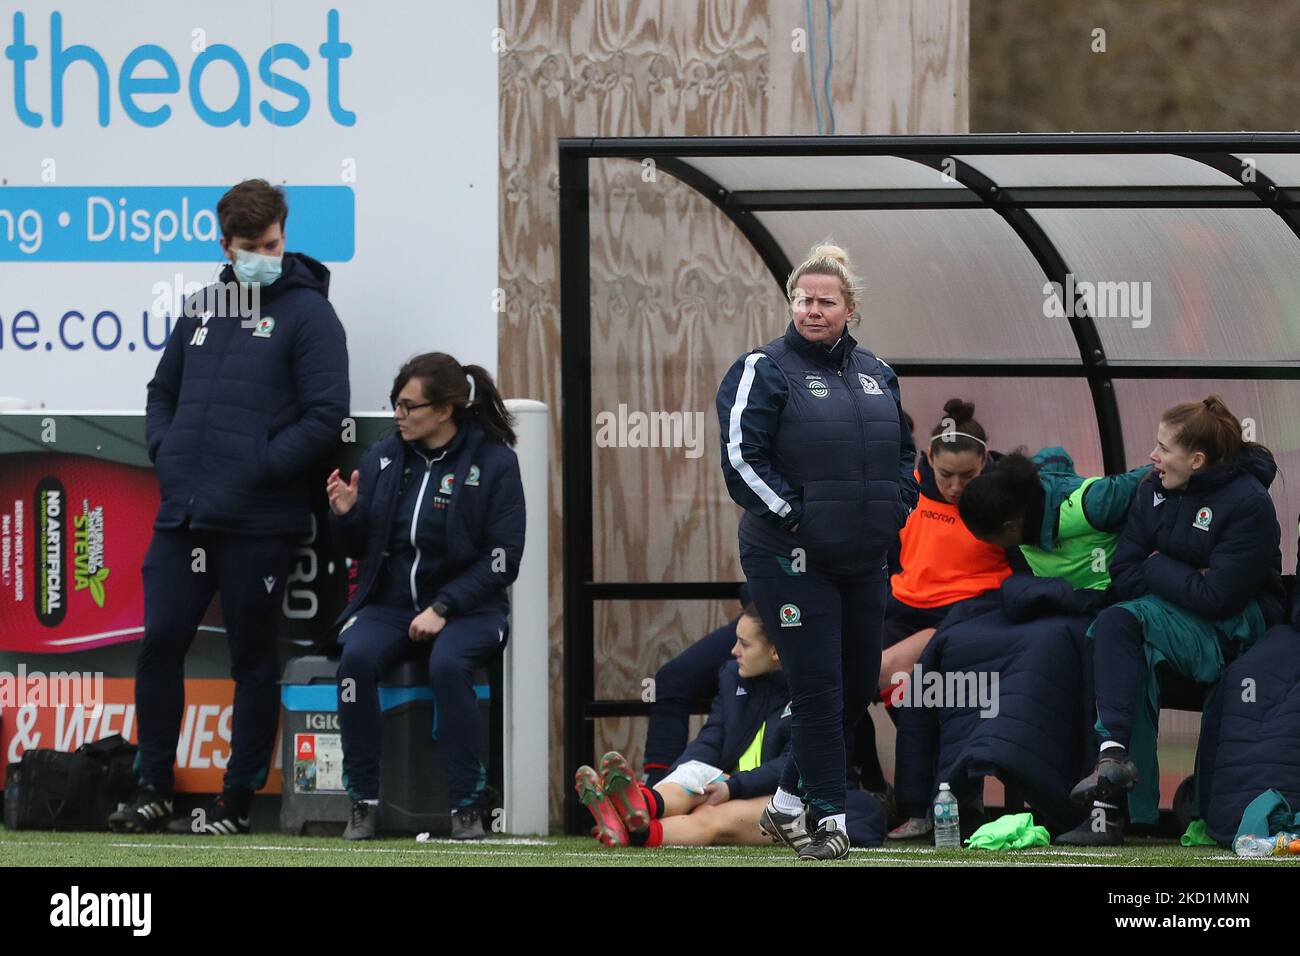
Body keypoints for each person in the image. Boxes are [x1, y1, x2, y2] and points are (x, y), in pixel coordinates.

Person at [111, 179, 350, 835]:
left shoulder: (310, 314)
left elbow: (327, 417)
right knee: (160, 644)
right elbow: (161, 393)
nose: (264, 256)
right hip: (185, 516)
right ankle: (153, 785)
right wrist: (168, 451)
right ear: (225, 244)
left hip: (258, 521)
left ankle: (235, 800)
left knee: (251, 660)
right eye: (251, 247)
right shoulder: (201, 307)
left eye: (273, 244)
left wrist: (258, 466)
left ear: (283, 235)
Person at [715, 240, 918, 860]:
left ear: (850, 309)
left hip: (863, 557)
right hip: (789, 556)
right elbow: (741, 459)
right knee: (818, 687)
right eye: (803, 300)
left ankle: (783, 803)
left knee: (859, 682)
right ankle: (825, 821)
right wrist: (797, 516)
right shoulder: (763, 368)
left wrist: (897, 507)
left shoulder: (877, 372)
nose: (812, 310)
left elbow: (904, 455)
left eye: (825, 301)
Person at [1058, 397, 1284, 845]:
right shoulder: (1151, 488)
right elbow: (1123, 571)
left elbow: (1218, 596)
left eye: (1164, 449)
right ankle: (1111, 799)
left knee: (1118, 625)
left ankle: (1113, 778)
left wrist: (1158, 565)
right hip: (1167, 616)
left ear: (1196, 460)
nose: (1153, 457)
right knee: (1122, 639)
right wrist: (1183, 576)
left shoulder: (1249, 504)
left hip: (1235, 630)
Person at [326, 353, 525, 841]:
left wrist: (443, 607)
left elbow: (503, 559)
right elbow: (358, 551)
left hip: (471, 609)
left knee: (448, 665)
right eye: (395, 404)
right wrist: (347, 516)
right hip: (391, 606)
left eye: (409, 406)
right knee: (355, 660)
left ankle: (466, 806)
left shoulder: (494, 462)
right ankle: (363, 803)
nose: (398, 415)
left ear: (444, 410)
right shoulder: (384, 457)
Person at [854, 399, 1026, 839]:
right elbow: (886, 556)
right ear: (929, 458)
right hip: (903, 610)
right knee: (840, 679)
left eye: (966, 477)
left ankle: (930, 807)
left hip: (966, 616)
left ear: (984, 461)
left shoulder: (1001, 496)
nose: (953, 486)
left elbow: (1026, 565)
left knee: (897, 683)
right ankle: (870, 790)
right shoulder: (906, 487)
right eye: (944, 474)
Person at [576, 604, 793, 847]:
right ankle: (643, 803)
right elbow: (711, 739)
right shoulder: (733, 677)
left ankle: (629, 828)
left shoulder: (813, 691)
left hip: (793, 800)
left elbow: (792, 767)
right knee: (694, 772)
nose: (733, 651)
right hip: (739, 784)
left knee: (710, 817)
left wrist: (733, 787)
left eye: (745, 644)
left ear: (775, 651)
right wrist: (681, 775)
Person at [957, 445, 1149, 591]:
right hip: (1069, 603)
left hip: (1110, 599)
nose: (993, 546)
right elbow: (1055, 454)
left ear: (1010, 527)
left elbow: (1152, 473)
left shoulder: (1094, 504)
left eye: (990, 539)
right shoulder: (1022, 499)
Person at [641, 585, 751, 787]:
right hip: (758, 613)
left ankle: (660, 794)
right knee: (672, 680)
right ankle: (657, 786)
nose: (736, 651)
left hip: (799, 618)